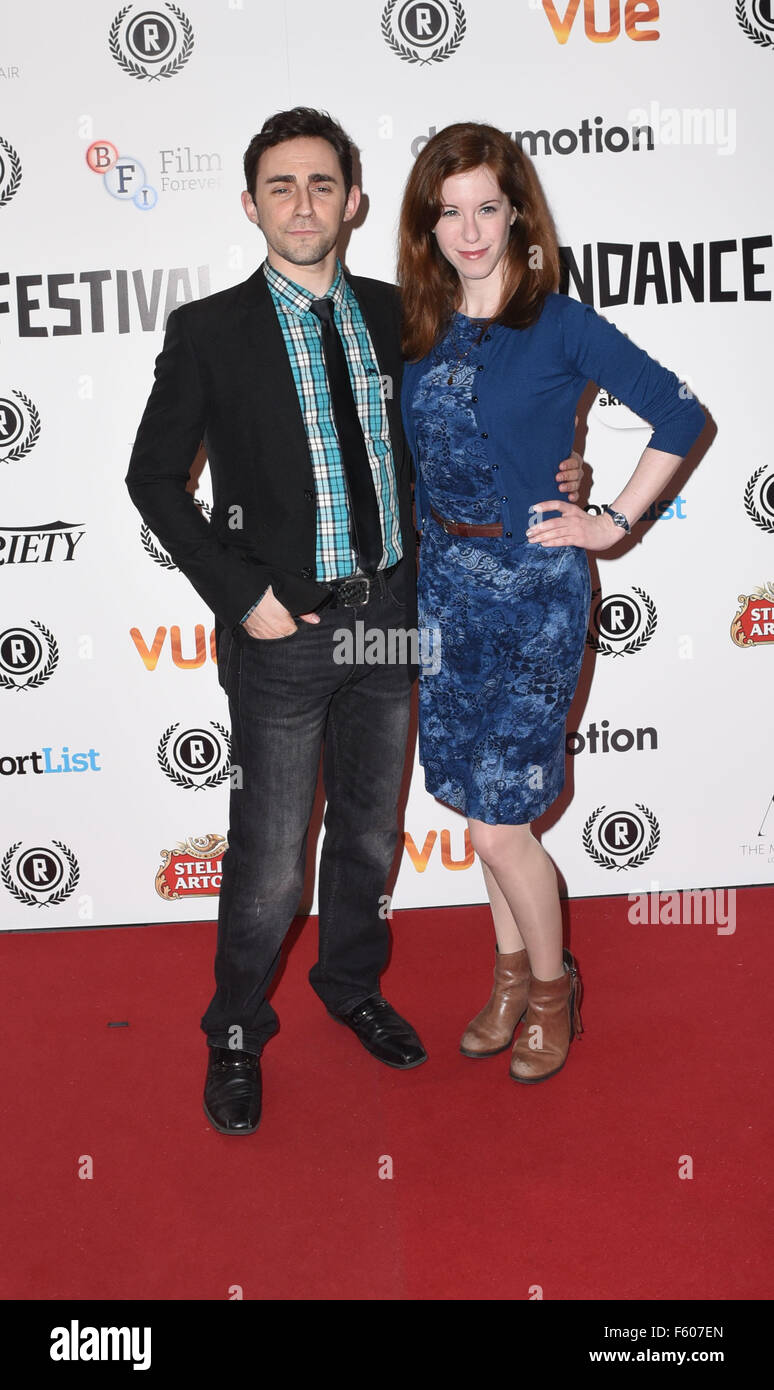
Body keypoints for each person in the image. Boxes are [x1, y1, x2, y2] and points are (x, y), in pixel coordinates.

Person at [126, 109, 585, 1136]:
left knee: (371, 837)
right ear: (251, 205)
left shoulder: (402, 316)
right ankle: (236, 1029)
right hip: (283, 632)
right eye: (281, 186)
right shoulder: (210, 332)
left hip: (396, 615)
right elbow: (152, 478)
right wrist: (240, 592)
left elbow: (480, 428)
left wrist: (565, 466)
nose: (303, 204)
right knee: (266, 858)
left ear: (355, 201)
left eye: (322, 184)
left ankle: (351, 983)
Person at [398, 122, 706, 1084]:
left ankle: (549, 990)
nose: (471, 229)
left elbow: (682, 414)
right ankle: (509, 975)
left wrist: (610, 518)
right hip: (446, 592)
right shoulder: (416, 325)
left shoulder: (560, 322)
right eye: (449, 212)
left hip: (533, 596)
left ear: (519, 213)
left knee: (499, 822)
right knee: (478, 809)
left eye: (488, 206)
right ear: (427, 226)